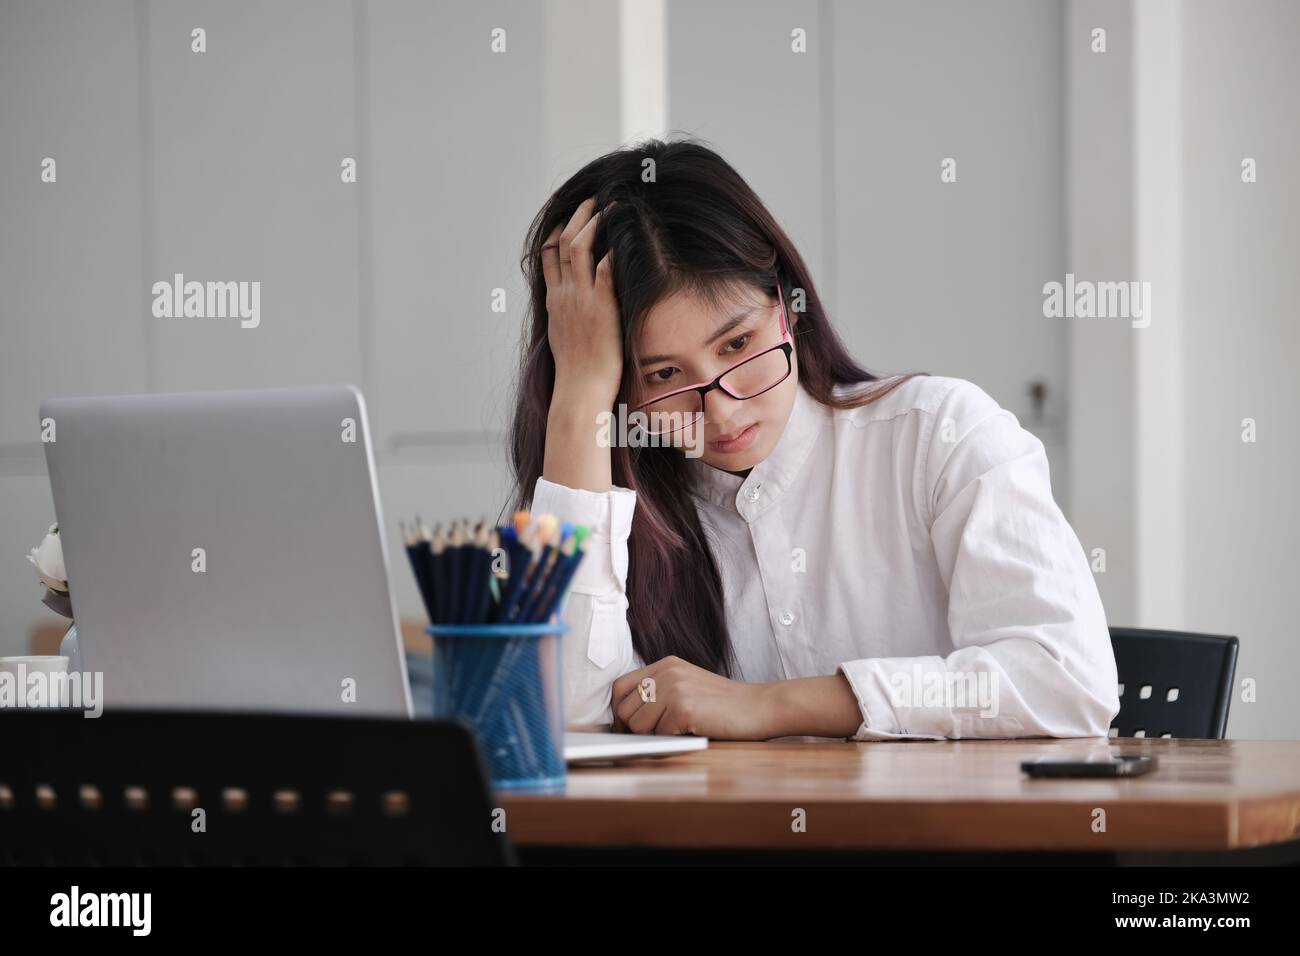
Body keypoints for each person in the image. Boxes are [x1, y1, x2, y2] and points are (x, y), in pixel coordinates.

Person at [507, 138, 1118, 741]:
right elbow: (567, 726)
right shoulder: (614, 497)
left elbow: (1067, 679)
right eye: (663, 375)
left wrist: (775, 706)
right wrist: (580, 399)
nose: (720, 410)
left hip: (942, 840)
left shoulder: (938, 435)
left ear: (787, 306)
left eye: (739, 345)